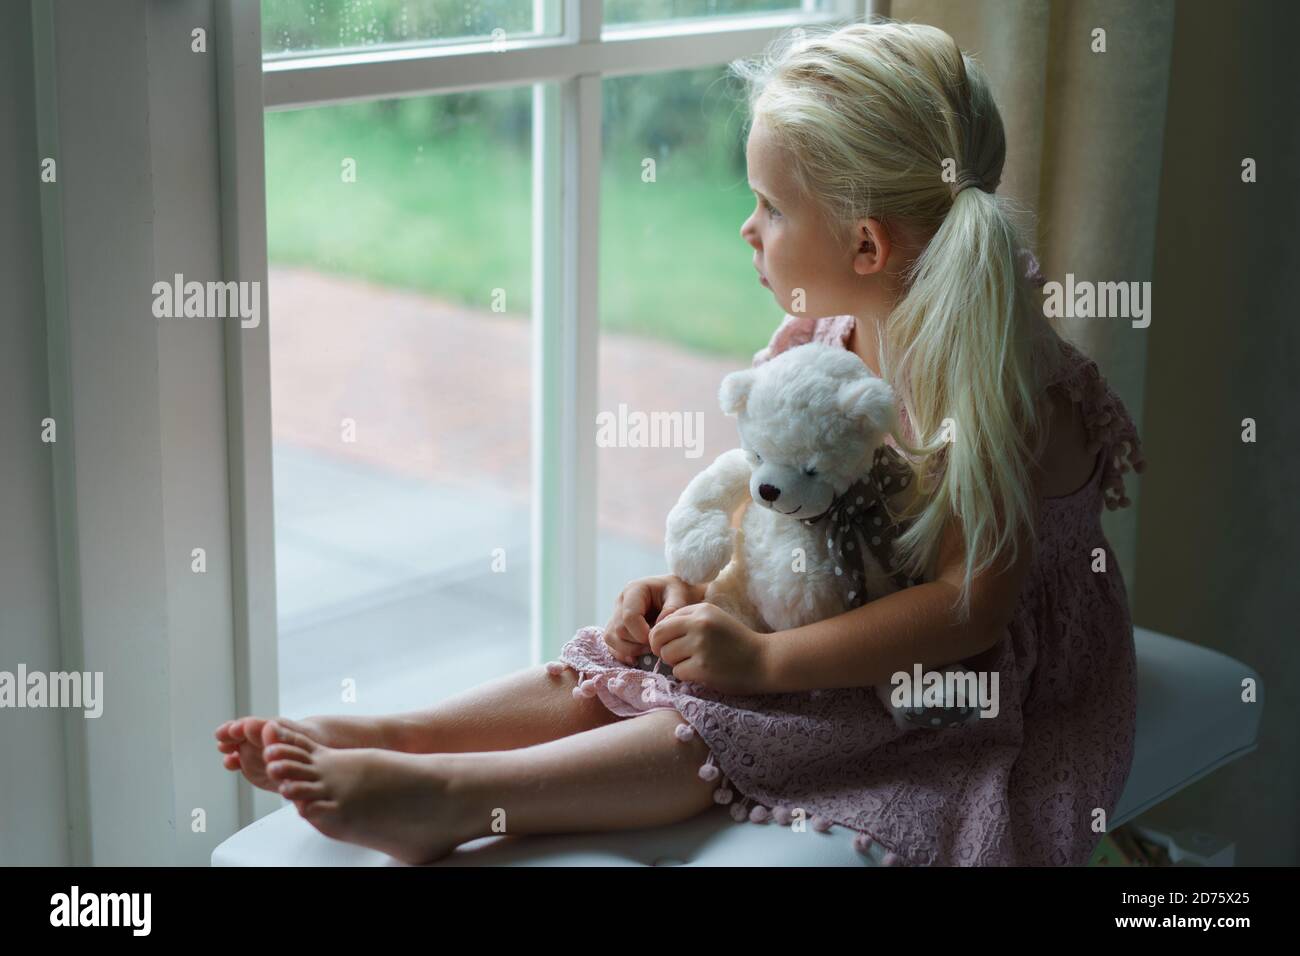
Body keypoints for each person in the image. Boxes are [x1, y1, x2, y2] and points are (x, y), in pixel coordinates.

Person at [216, 19, 1145, 866]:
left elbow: (967, 611)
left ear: (866, 247)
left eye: (772, 208)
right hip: (839, 596)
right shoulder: (820, 345)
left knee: (747, 717)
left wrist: (769, 661)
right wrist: (695, 590)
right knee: (632, 662)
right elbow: (776, 509)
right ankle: (403, 735)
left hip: (961, 669)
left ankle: (457, 799)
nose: (748, 227)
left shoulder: (995, 393)